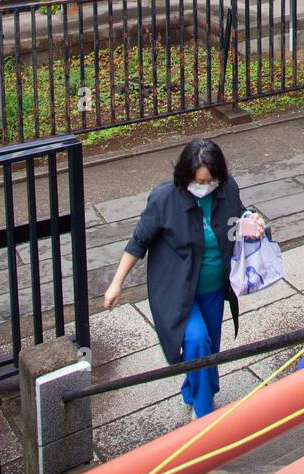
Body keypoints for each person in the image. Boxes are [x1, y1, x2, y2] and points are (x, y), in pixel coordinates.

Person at [103, 138, 265, 420]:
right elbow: (138, 241)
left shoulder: (227, 189)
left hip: (214, 286)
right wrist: (117, 282)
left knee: (209, 349)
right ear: (185, 176)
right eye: (199, 181)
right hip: (178, 290)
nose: (205, 186)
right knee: (197, 340)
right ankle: (204, 413)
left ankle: (192, 392)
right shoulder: (164, 199)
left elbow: (238, 215)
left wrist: (252, 222)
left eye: (210, 180)